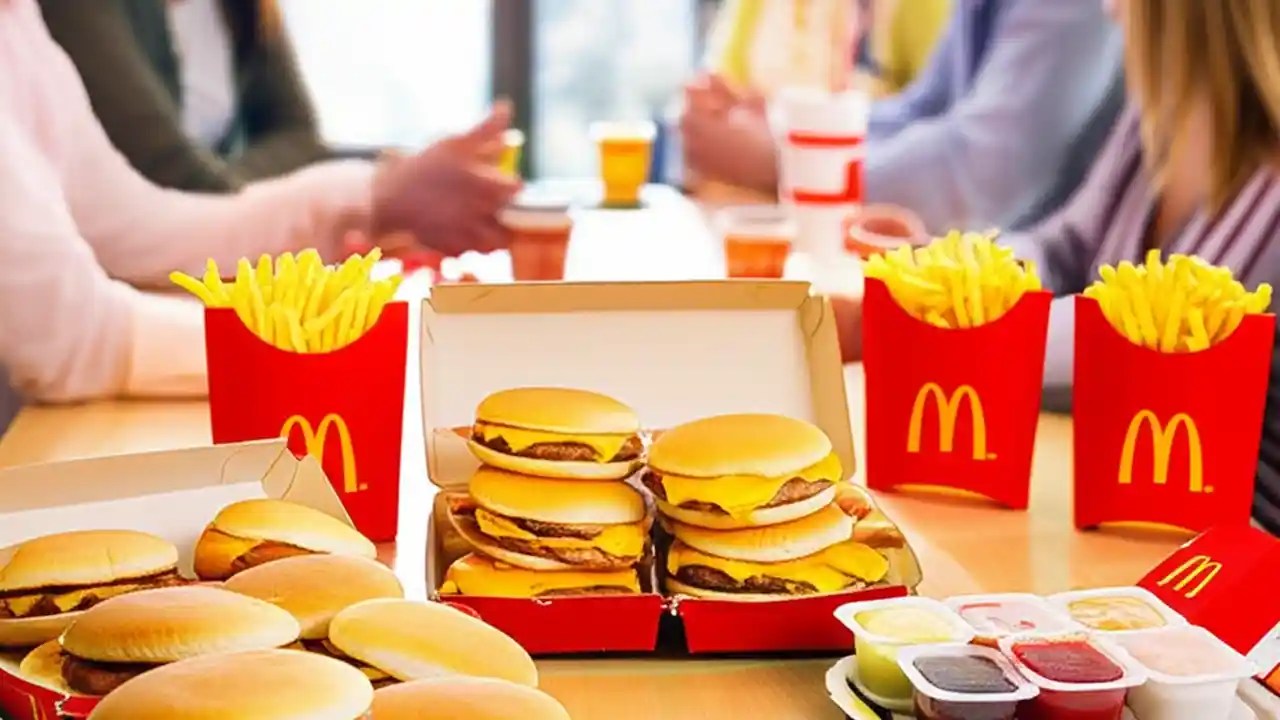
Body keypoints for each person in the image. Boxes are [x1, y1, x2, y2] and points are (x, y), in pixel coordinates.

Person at [836, 0, 1280, 533]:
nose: (1108, 8)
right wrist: (953, 274)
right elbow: (1064, 245)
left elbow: (1146, 354)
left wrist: (924, 331)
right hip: (1116, 515)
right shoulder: (1157, 115)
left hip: (1233, 551)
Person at [0, 0, 517, 434]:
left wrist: (370, 195)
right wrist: (318, 346)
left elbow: (138, 226)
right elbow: (67, 339)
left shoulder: (18, 26)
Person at [683, 0, 1126, 233]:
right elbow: (924, 108)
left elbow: (981, 174)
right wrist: (791, 132)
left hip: (1039, 317)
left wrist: (780, 162)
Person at [37, 0, 336, 192]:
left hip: (195, 241)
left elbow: (300, 136)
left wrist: (221, 185)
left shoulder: (243, 9)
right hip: (110, 260)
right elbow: (167, 172)